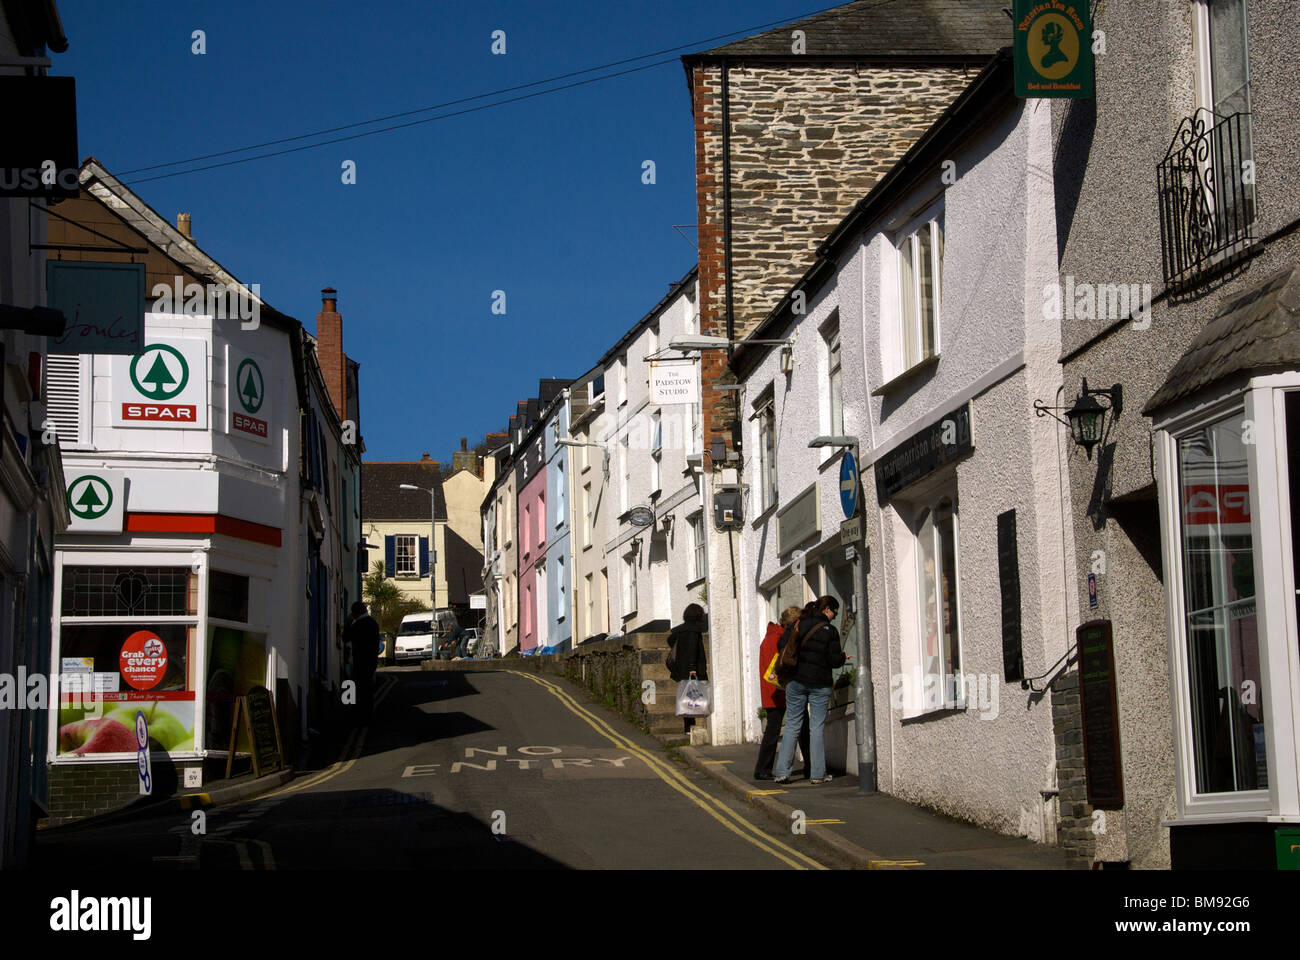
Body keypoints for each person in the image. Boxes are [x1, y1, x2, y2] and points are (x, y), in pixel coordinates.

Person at [773, 596, 849, 785]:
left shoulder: (800, 623)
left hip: (796, 681)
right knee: (816, 728)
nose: (835, 616)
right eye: (835, 612)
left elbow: (781, 644)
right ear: (827, 610)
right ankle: (817, 774)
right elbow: (833, 661)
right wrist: (842, 657)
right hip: (820, 683)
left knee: (792, 725)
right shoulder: (830, 631)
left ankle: (782, 772)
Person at [755, 606, 811, 780]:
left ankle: (764, 768)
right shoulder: (776, 638)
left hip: (775, 690)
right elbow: (779, 666)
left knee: (783, 729)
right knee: (782, 729)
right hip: (779, 690)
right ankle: (763, 769)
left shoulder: (772, 636)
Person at [667, 603, 708, 734]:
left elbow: (670, 640)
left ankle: (688, 728)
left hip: (682, 668)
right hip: (693, 668)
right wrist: (692, 667)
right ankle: (697, 727)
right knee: (698, 696)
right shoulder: (693, 631)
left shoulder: (680, 630)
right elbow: (693, 649)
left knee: (687, 698)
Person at [343, 601, 380, 723]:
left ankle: (358, 716)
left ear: (354, 613)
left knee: (355, 689)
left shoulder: (358, 625)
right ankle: (369, 716)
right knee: (368, 690)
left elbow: (345, 638)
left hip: (360, 662)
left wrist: (348, 623)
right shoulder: (373, 623)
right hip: (371, 661)